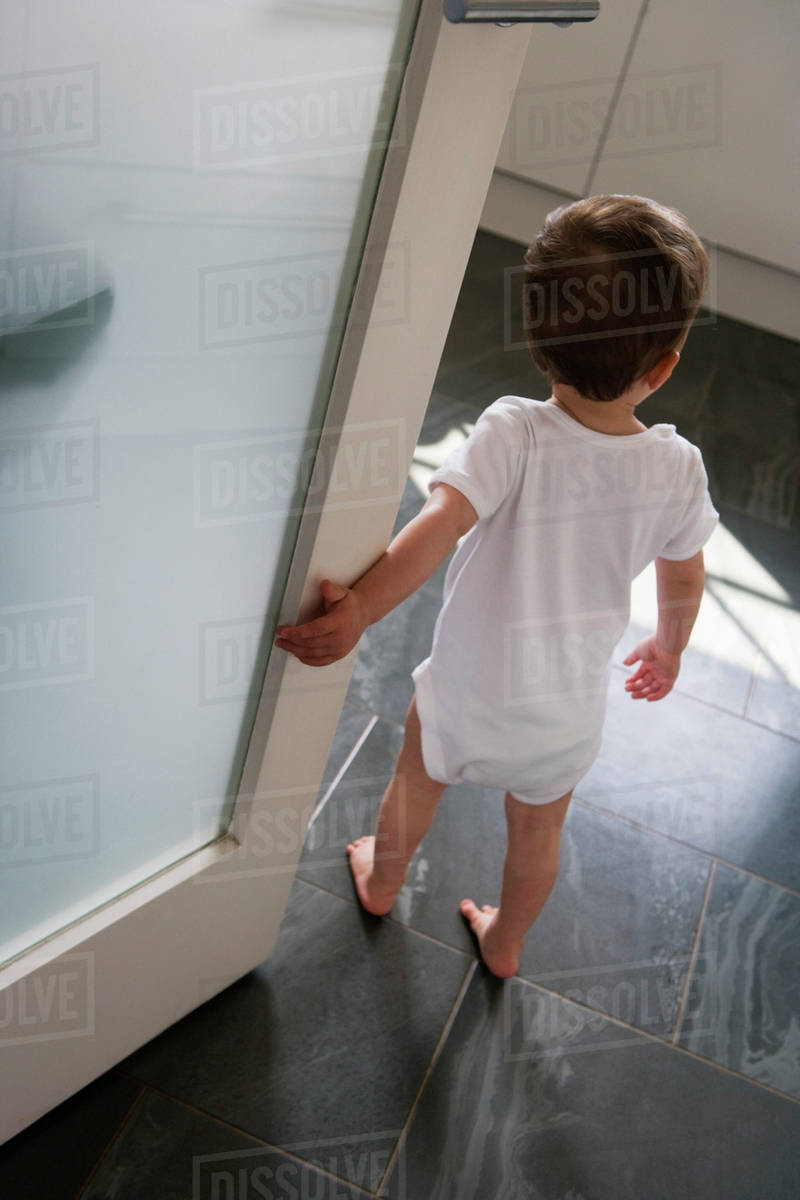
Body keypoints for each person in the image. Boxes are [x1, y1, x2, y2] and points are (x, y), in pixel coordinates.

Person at [274, 194, 719, 979]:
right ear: (663, 368)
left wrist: (362, 613)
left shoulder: (513, 432)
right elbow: (685, 571)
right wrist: (669, 646)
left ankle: (382, 879)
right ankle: (506, 941)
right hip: (566, 711)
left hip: (470, 688)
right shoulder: (676, 468)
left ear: (539, 336)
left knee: (417, 780)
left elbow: (436, 527)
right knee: (538, 836)